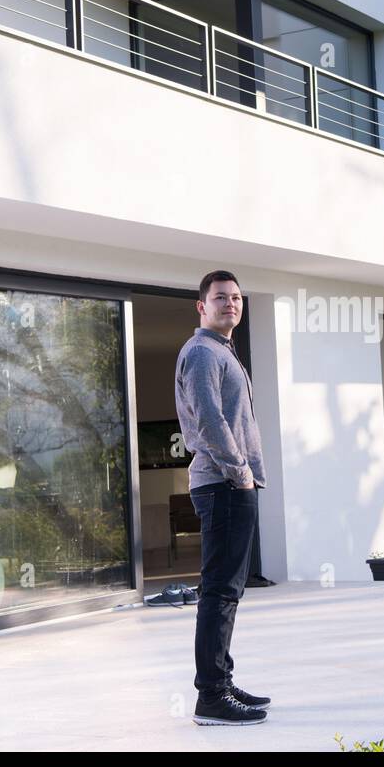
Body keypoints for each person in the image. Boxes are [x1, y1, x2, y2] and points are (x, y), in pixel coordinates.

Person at [174, 270, 272, 726]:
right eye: (220, 298)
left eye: (236, 297)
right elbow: (210, 421)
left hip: (230, 483)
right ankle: (210, 696)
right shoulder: (201, 353)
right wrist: (241, 474)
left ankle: (222, 682)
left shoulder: (222, 351)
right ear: (202, 306)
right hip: (224, 484)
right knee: (218, 591)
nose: (230, 303)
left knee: (228, 592)